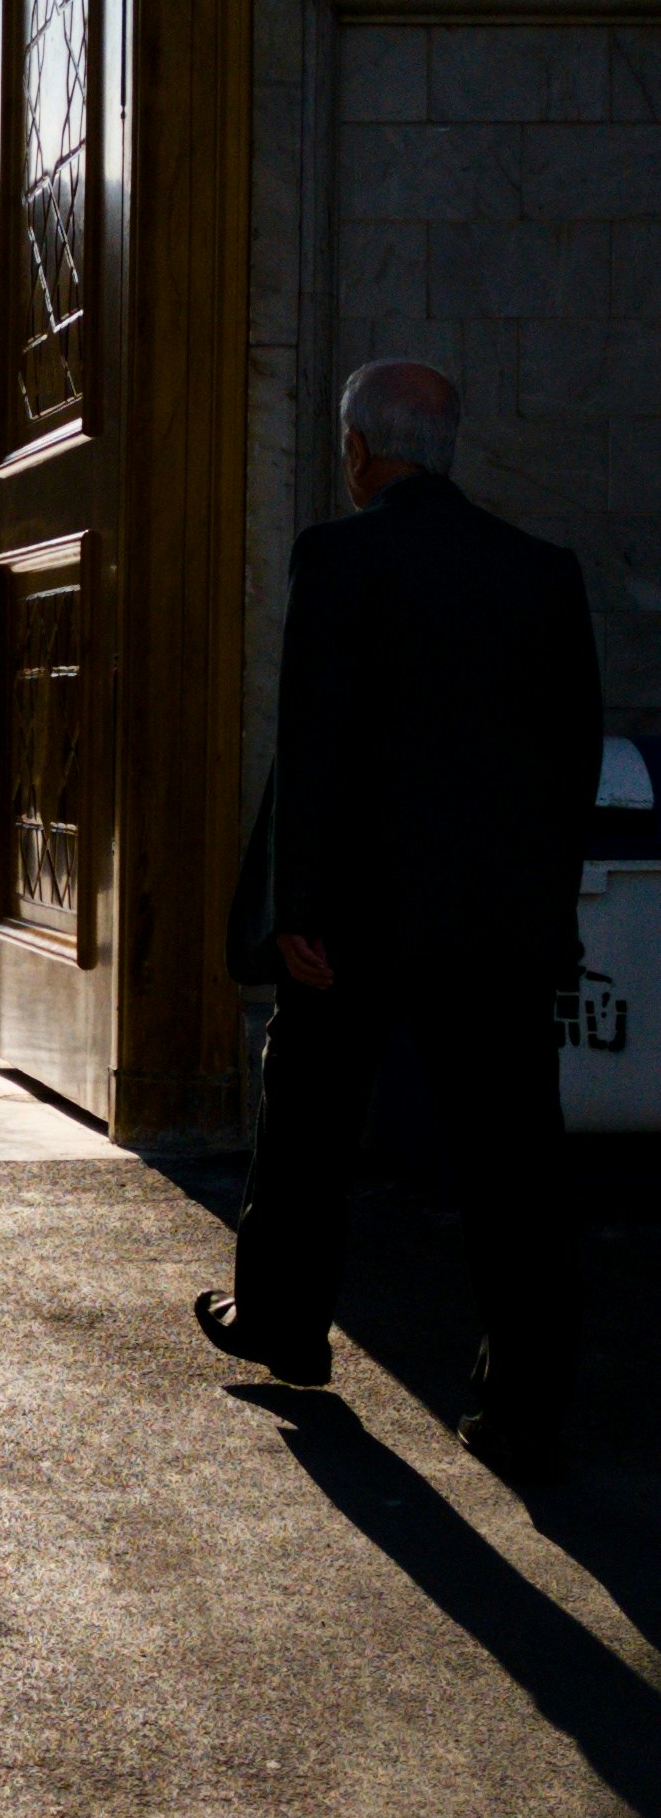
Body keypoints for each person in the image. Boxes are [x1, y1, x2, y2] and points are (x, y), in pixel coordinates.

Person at [197, 358, 604, 1466]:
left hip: (356, 927)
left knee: (310, 1121)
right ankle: (522, 1405)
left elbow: (316, 745)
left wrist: (295, 907)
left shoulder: (340, 557)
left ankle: (283, 1322)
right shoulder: (543, 571)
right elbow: (574, 764)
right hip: (499, 931)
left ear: (360, 450)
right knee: (516, 1163)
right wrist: (543, 913)